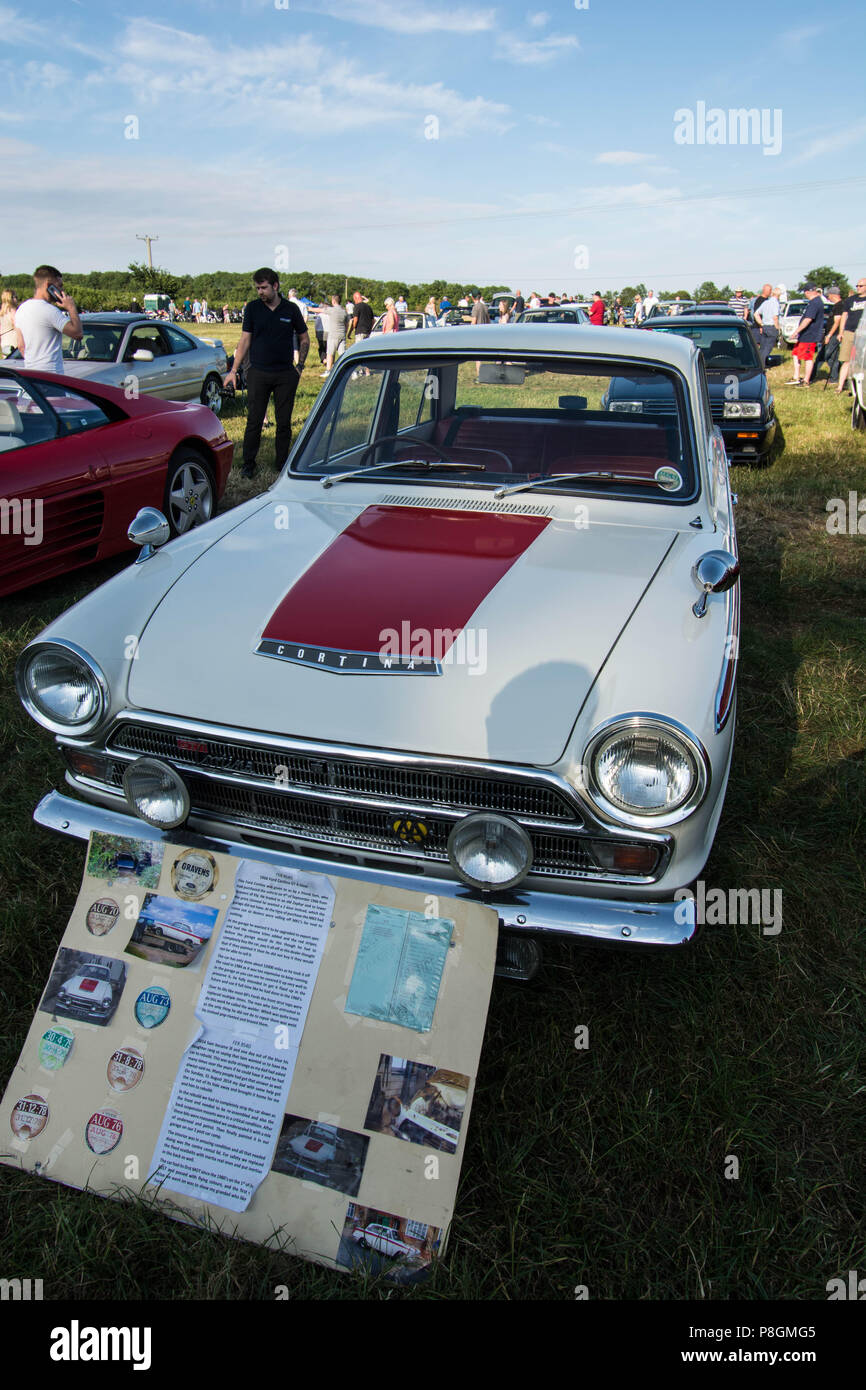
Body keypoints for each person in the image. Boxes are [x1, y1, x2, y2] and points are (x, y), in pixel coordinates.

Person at [223, 268, 309, 479]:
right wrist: (234, 370)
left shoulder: (290, 309)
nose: (260, 292)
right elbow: (245, 340)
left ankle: (281, 464)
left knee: (284, 422)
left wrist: (300, 367)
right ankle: (248, 464)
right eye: (258, 288)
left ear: (275, 286)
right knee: (254, 421)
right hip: (258, 373)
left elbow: (305, 338)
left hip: (285, 375)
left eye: (264, 288)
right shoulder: (253, 308)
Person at [13, 265, 82, 372]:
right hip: (51, 375)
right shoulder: (50, 311)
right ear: (49, 286)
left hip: (31, 375)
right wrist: (71, 307)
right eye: (59, 286)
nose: (62, 290)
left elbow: (21, 346)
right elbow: (78, 334)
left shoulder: (21, 310)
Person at [786, 285, 825, 386]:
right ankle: (796, 376)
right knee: (796, 354)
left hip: (810, 334)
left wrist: (796, 331)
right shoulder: (812, 302)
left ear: (808, 292)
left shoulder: (816, 302)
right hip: (804, 334)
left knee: (808, 357)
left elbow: (808, 319)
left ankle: (806, 381)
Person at [836, 276, 866, 395]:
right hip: (849, 332)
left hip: (863, 333)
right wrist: (841, 332)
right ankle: (840, 386)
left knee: (862, 361)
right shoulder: (850, 300)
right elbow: (844, 315)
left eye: (861, 286)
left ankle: (859, 387)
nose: (858, 288)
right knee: (846, 360)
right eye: (857, 286)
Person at [814, 286, 843, 385]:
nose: (828, 297)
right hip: (832, 335)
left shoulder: (839, 306)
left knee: (824, 355)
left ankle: (812, 375)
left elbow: (837, 322)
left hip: (834, 335)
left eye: (829, 295)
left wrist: (829, 335)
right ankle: (835, 377)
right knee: (832, 358)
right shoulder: (837, 305)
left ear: (833, 295)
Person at [752, 283, 781, 366]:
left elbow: (756, 314)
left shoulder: (766, 303)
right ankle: (762, 365)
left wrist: (761, 324)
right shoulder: (775, 303)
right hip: (771, 327)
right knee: (767, 348)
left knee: (762, 348)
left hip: (765, 327)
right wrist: (777, 328)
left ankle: (757, 363)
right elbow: (775, 317)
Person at [321, 293, 349, 376]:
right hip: (342, 334)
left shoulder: (332, 310)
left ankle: (328, 370)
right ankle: (346, 370)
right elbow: (347, 323)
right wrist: (346, 332)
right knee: (342, 354)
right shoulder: (344, 311)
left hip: (333, 335)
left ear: (333, 301)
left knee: (330, 353)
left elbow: (320, 310)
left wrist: (309, 308)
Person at [1, 290, 20, 355]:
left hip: (4, 342)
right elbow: (18, 327)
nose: (16, 299)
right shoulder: (13, 311)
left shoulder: (2, 312)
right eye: (14, 297)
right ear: (9, 298)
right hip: (14, 341)